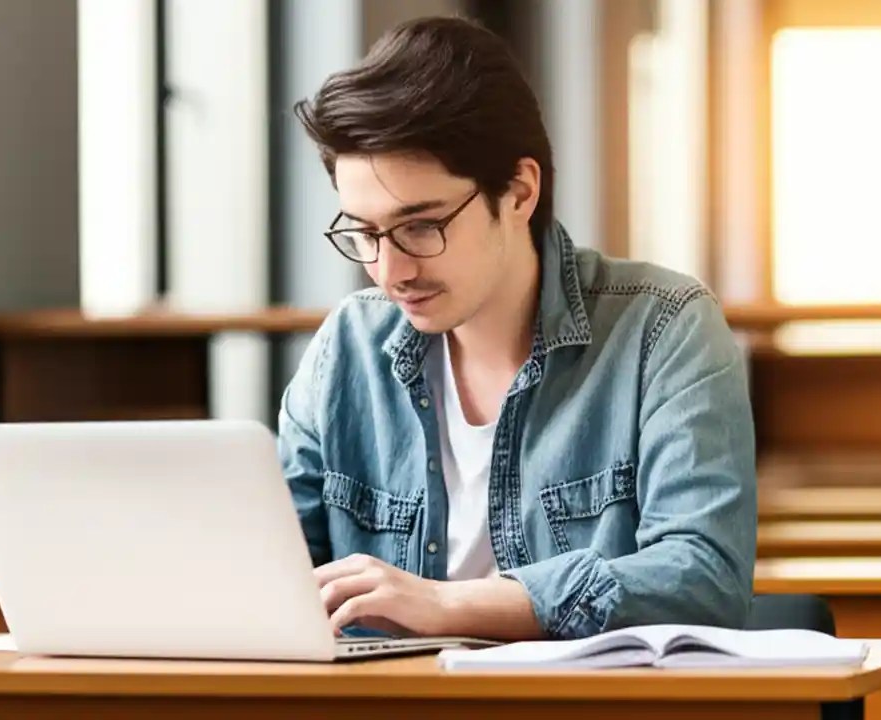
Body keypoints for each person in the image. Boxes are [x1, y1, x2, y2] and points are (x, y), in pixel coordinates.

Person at [279, 15, 756, 641]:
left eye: (421, 226)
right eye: (364, 233)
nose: (388, 271)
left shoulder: (664, 328)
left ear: (519, 191)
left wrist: (448, 606)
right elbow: (271, 571)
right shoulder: (347, 350)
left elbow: (703, 577)